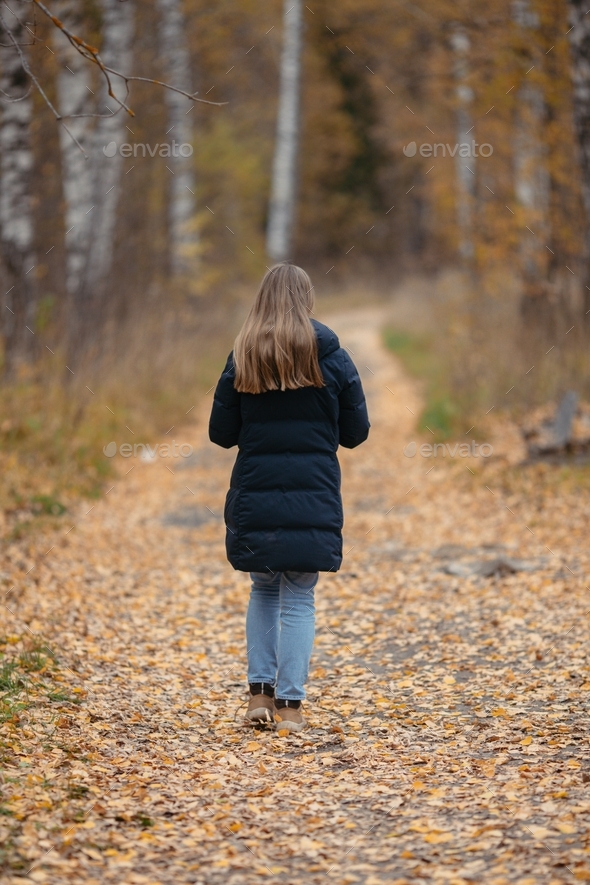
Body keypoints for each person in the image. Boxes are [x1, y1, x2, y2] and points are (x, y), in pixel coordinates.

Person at [208, 264, 369, 732]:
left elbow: (221, 433)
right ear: (307, 298)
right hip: (312, 494)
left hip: (256, 493)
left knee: (263, 589)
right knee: (299, 597)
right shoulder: (333, 356)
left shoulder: (243, 355)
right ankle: (291, 708)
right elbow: (355, 433)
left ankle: (259, 696)